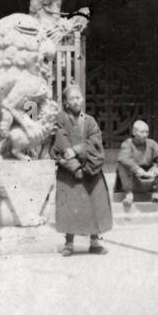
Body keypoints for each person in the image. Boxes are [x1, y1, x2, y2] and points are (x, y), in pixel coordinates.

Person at [52, 85, 112, 256]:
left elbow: (95, 143)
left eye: (79, 98)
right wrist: (74, 167)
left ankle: (94, 242)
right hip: (69, 171)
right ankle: (69, 243)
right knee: (70, 205)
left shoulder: (90, 121)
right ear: (65, 102)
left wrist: (77, 150)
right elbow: (61, 144)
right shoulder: (61, 119)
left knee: (94, 204)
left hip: (91, 169)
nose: (76, 101)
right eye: (72, 99)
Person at [115, 120, 158, 206]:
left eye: (147, 132)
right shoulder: (127, 144)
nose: (145, 135)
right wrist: (137, 169)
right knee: (122, 165)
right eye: (142, 132)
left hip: (149, 178)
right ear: (134, 132)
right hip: (133, 180)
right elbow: (124, 158)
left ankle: (156, 192)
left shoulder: (151, 143)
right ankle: (129, 194)